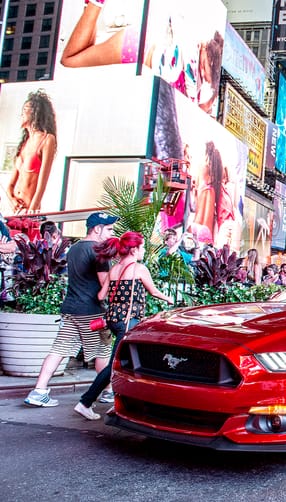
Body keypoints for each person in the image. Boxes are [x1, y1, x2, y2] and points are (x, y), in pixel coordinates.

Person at [74, 231, 173, 420]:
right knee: (114, 365)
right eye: (142, 247)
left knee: (128, 361)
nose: (143, 251)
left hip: (113, 320)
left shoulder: (114, 269)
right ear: (134, 249)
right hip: (129, 321)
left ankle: (131, 399)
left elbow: (101, 296)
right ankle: (85, 402)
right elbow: (153, 291)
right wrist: (168, 298)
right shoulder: (139, 269)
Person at [24, 212, 118, 408]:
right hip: (92, 311)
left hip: (71, 308)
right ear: (97, 228)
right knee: (103, 352)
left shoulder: (74, 248)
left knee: (58, 349)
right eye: (109, 229)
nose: (112, 232)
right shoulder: (99, 252)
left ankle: (39, 391)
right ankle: (109, 392)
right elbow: (104, 283)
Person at [6, 89, 57, 213]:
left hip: (29, 210)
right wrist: (12, 200)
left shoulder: (47, 139)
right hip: (14, 209)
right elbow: (10, 185)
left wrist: (32, 211)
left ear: (36, 112)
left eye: (25, 109)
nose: (21, 114)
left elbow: (42, 184)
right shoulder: (24, 143)